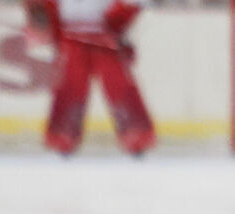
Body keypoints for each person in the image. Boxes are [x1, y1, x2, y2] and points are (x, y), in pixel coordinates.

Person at [35, 0, 155, 156]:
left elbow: (132, 4)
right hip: (74, 37)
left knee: (118, 85)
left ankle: (137, 134)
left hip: (104, 36)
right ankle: (62, 135)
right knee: (71, 86)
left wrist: (116, 29)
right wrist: (50, 29)